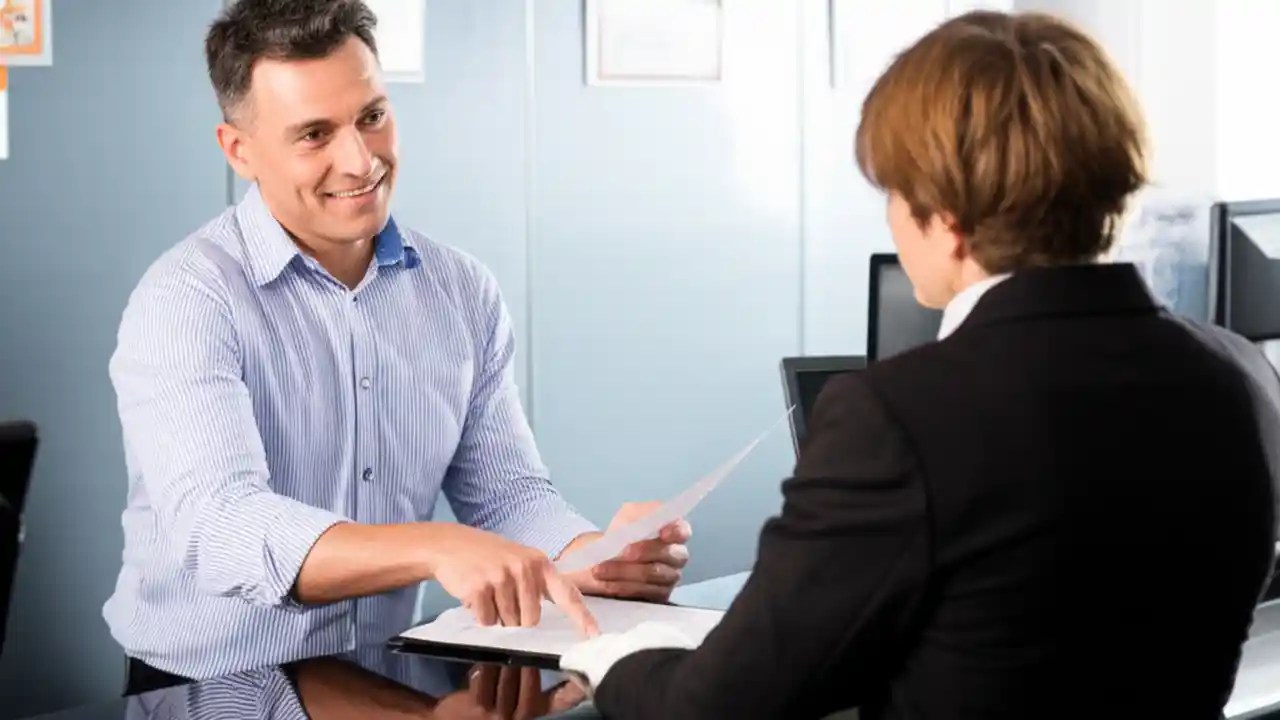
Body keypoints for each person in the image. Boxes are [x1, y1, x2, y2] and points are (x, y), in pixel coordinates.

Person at [561, 10, 1279, 719]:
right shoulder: (1237, 375)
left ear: (946, 216)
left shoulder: (898, 416)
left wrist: (618, 659)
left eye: (895, 193)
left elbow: (717, 707)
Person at [104, 0, 691, 693]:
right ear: (240, 151)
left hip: (390, 680)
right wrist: (433, 546)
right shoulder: (187, 299)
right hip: (208, 690)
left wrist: (589, 554)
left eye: (372, 117)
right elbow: (223, 528)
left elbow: (507, 497)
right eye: (314, 134)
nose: (359, 159)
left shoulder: (461, 289)